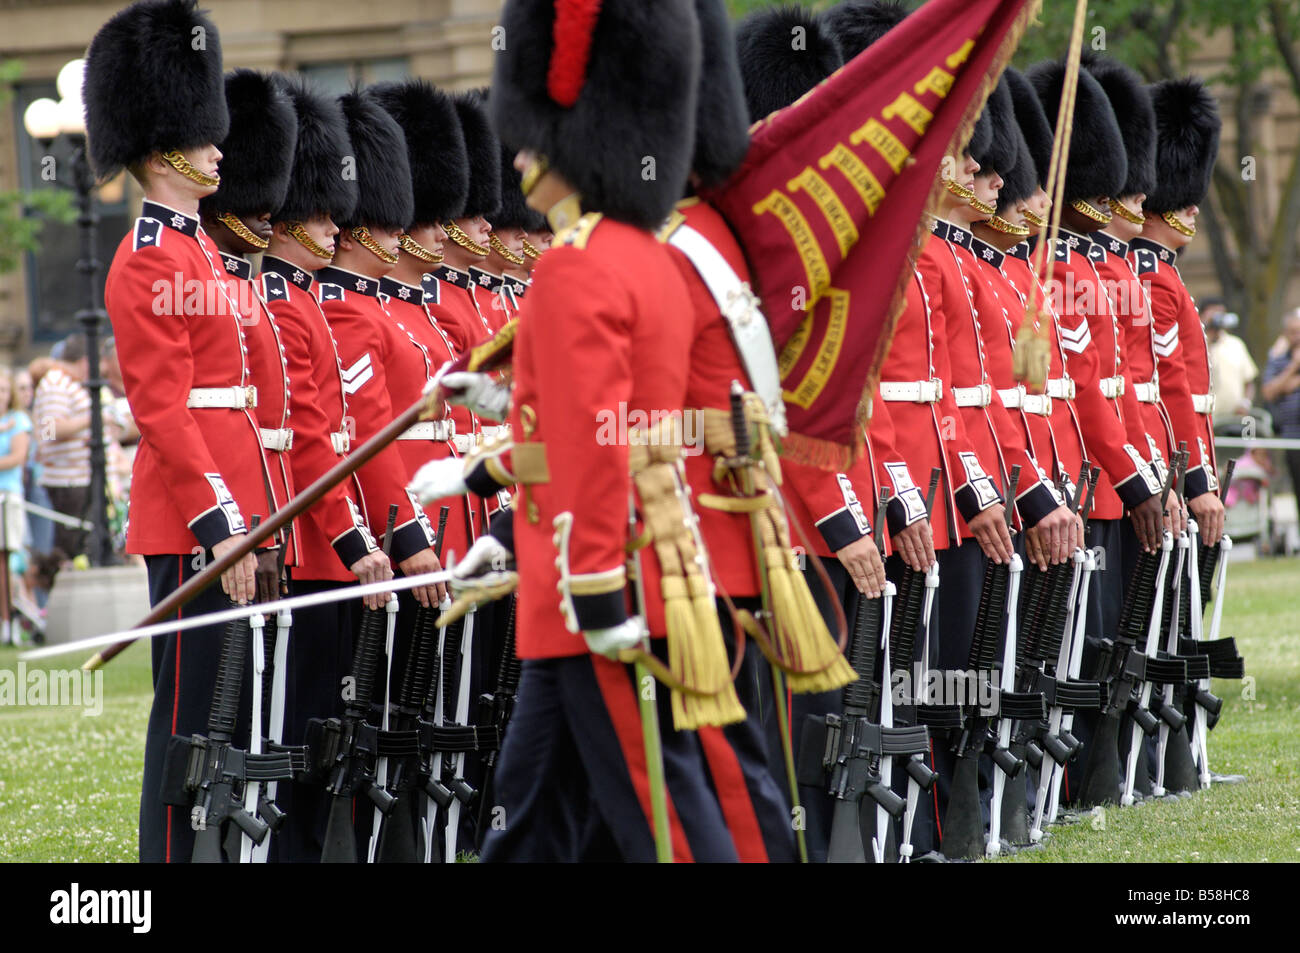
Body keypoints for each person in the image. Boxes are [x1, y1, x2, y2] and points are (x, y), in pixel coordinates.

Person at [84, 0, 262, 862]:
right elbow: (162, 409)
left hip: (233, 506)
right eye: (203, 140)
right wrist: (219, 520)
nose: (218, 149)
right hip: (197, 518)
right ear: (163, 151)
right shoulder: (153, 255)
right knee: (188, 722)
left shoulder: (200, 251)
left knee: (228, 721)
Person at [32, 333, 92, 558]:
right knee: (70, 551)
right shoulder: (55, 383)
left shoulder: (67, 383)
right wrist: (93, 419)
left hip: (78, 479)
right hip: (67, 483)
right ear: (84, 361)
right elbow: (49, 430)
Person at [1201, 298, 1261, 427]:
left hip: (1235, 419)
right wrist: (1208, 335)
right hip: (1207, 418)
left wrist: (1245, 403)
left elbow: (1249, 381)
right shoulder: (1197, 344)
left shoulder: (1235, 344)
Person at [1262, 309, 1300, 501]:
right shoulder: (1279, 360)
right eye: (1293, 332)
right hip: (1292, 438)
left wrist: (1290, 384)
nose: (1297, 337)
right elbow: (1269, 392)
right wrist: (1293, 367)